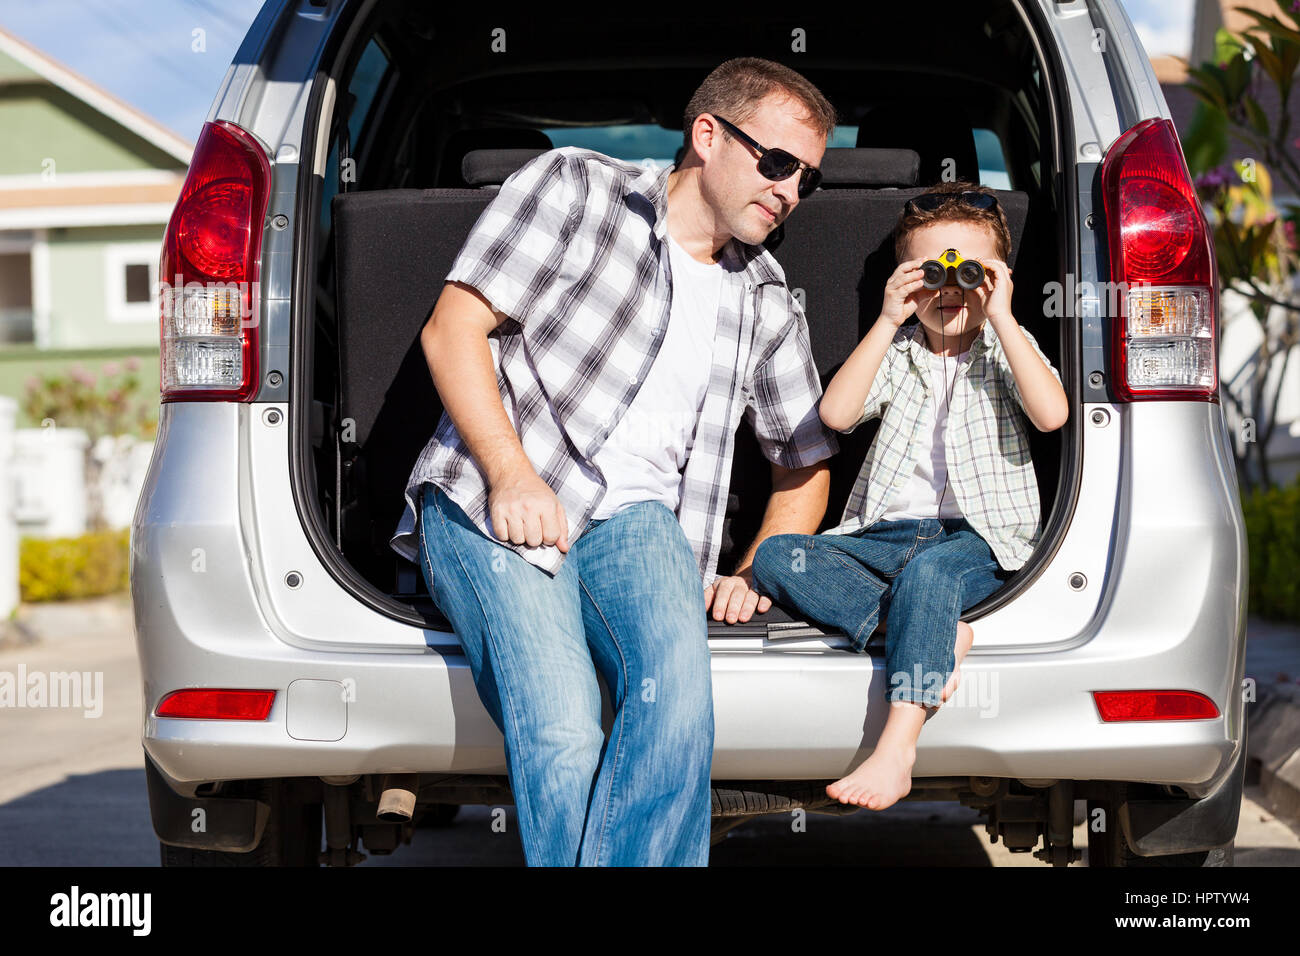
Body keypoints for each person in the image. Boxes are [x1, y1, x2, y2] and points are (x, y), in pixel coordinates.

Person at [387, 57, 842, 865]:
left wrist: (758, 567)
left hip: (642, 527)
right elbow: (451, 330)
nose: (790, 191)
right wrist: (509, 471)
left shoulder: (767, 295)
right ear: (707, 135)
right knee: (561, 723)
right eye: (776, 163)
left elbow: (802, 462)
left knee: (676, 716)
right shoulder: (575, 188)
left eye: (806, 176)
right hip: (502, 501)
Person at [751, 180, 1068, 812]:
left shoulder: (1007, 349)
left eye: (968, 273)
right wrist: (889, 318)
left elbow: (1052, 414)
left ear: (996, 279)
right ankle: (933, 631)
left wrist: (1002, 316)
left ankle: (899, 743)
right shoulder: (897, 353)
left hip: (975, 540)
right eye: (930, 273)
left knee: (929, 574)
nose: (949, 288)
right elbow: (837, 416)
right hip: (884, 536)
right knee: (777, 557)